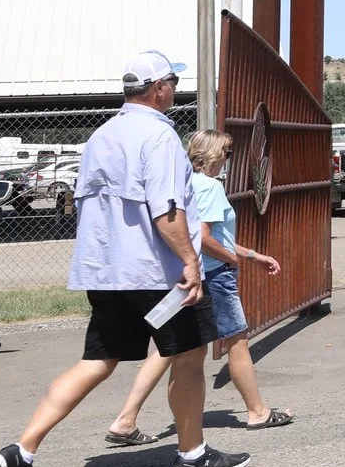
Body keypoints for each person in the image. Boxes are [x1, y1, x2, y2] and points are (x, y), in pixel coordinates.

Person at [0, 51, 248, 467]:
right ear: (159, 89)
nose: (175, 88)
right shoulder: (160, 137)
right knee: (189, 355)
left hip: (107, 270)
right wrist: (190, 262)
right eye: (172, 82)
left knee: (97, 360)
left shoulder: (101, 136)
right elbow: (167, 211)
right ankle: (192, 453)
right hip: (156, 272)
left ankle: (21, 451)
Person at [102, 132, 292, 444]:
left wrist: (251, 255)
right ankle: (257, 411)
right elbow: (204, 238)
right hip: (214, 275)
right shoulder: (211, 187)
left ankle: (125, 419)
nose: (228, 159)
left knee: (169, 347)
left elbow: (205, 237)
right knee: (237, 341)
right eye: (227, 153)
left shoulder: (184, 184)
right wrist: (232, 259)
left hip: (184, 273)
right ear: (214, 154)